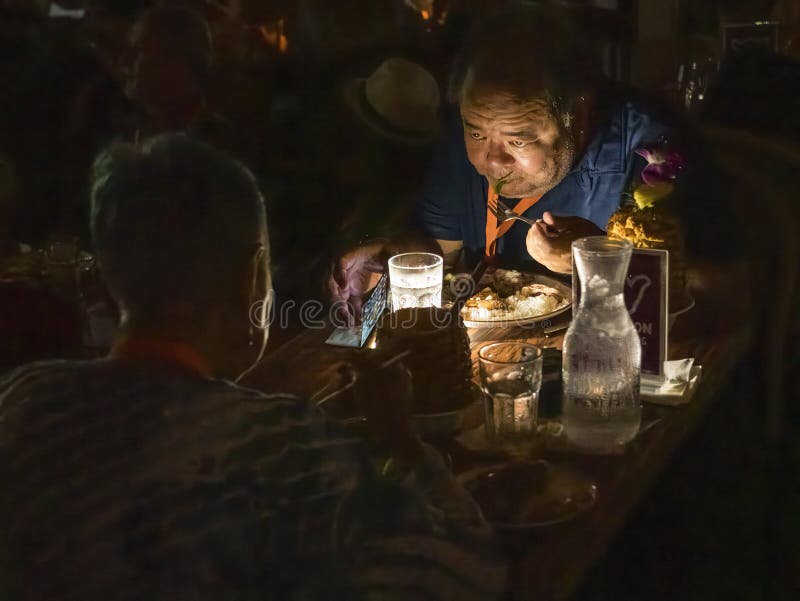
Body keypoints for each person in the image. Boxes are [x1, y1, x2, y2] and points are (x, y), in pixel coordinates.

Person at [0, 135, 505, 600]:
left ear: (108, 279)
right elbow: (467, 576)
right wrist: (403, 443)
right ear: (252, 276)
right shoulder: (279, 447)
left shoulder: (21, 401)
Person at [327, 7, 673, 320]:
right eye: (476, 133)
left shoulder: (650, 152)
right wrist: (396, 257)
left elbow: (713, 290)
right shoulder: (460, 142)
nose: (492, 159)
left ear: (577, 115)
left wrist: (596, 258)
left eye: (518, 140)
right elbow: (441, 251)